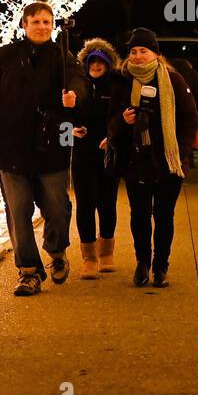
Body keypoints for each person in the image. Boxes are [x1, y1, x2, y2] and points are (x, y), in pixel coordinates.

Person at [0, 1, 86, 296]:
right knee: (18, 210)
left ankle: (57, 252)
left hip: (52, 145)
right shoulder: (5, 57)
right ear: (24, 25)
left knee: (57, 208)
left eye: (47, 22)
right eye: (37, 22)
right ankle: (28, 271)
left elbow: (79, 83)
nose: (43, 27)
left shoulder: (62, 57)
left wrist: (74, 97)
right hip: (11, 147)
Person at [106, 28, 198, 288]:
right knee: (139, 215)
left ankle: (161, 266)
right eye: (133, 51)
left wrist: (179, 152)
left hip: (168, 160)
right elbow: (110, 122)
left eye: (143, 51)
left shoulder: (172, 79)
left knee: (164, 215)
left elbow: (189, 120)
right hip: (136, 160)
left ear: (155, 54)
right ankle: (142, 263)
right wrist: (122, 121)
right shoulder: (122, 81)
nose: (137, 56)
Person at [71, 37, 130, 278]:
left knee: (107, 203)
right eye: (91, 61)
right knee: (85, 204)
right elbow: (62, 118)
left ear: (108, 64)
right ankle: (89, 257)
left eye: (101, 62)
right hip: (83, 153)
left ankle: (107, 253)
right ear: (85, 63)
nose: (96, 65)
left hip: (108, 152)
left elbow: (126, 117)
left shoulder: (119, 85)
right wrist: (71, 130)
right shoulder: (76, 86)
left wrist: (112, 136)